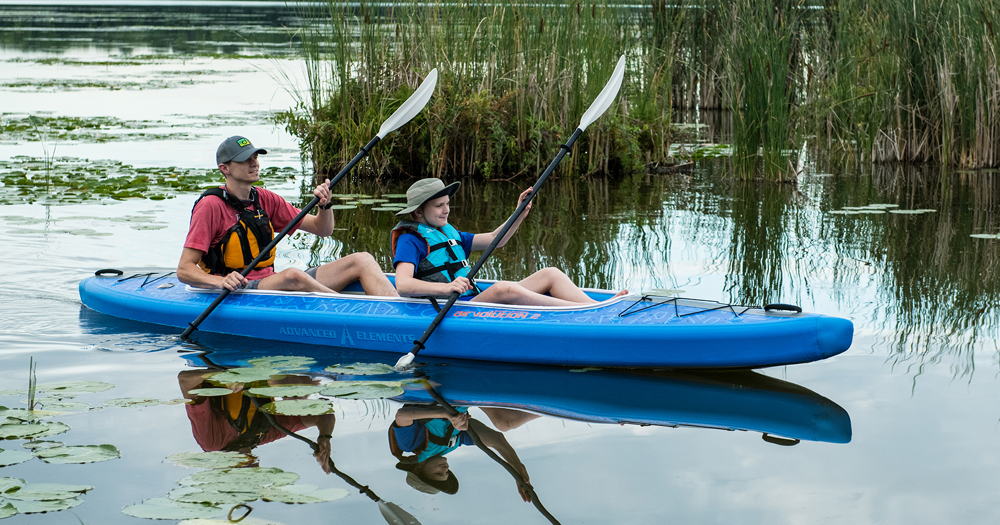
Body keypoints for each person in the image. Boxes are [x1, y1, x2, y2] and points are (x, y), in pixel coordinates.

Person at [177, 135, 398, 296]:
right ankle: (352, 312)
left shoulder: (264, 198)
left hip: (268, 282)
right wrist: (220, 282)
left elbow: (322, 229)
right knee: (293, 275)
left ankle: (399, 314)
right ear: (225, 168)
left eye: (255, 156)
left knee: (362, 260)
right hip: (241, 290)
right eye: (245, 159)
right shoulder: (211, 206)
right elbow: (184, 269)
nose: (254, 162)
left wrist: (325, 205)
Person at [390, 178, 627, 306]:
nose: (446, 210)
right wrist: (447, 287)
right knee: (505, 288)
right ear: (419, 212)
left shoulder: (450, 233)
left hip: (471, 299)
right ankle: (579, 311)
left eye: (448, 204)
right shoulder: (411, 240)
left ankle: (594, 307)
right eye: (439, 206)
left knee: (551, 273)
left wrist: (519, 213)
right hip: (452, 307)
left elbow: (495, 240)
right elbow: (403, 285)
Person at [178, 369, 334, 473]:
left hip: (227, 359)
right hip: (272, 366)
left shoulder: (213, 441)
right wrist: (325, 436)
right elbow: (323, 414)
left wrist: (225, 374)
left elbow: (185, 379)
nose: (250, 472)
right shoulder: (264, 433)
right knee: (297, 395)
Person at [388, 404, 534, 500]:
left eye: (438, 473)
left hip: (432, 389)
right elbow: (497, 440)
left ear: (418, 467)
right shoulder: (453, 443)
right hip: (462, 397)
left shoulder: (411, 444)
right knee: (506, 422)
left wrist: (445, 414)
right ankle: (556, 407)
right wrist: (517, 470)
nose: (445, 469)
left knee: (505, 422)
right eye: (446, 473)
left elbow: (402, 415)